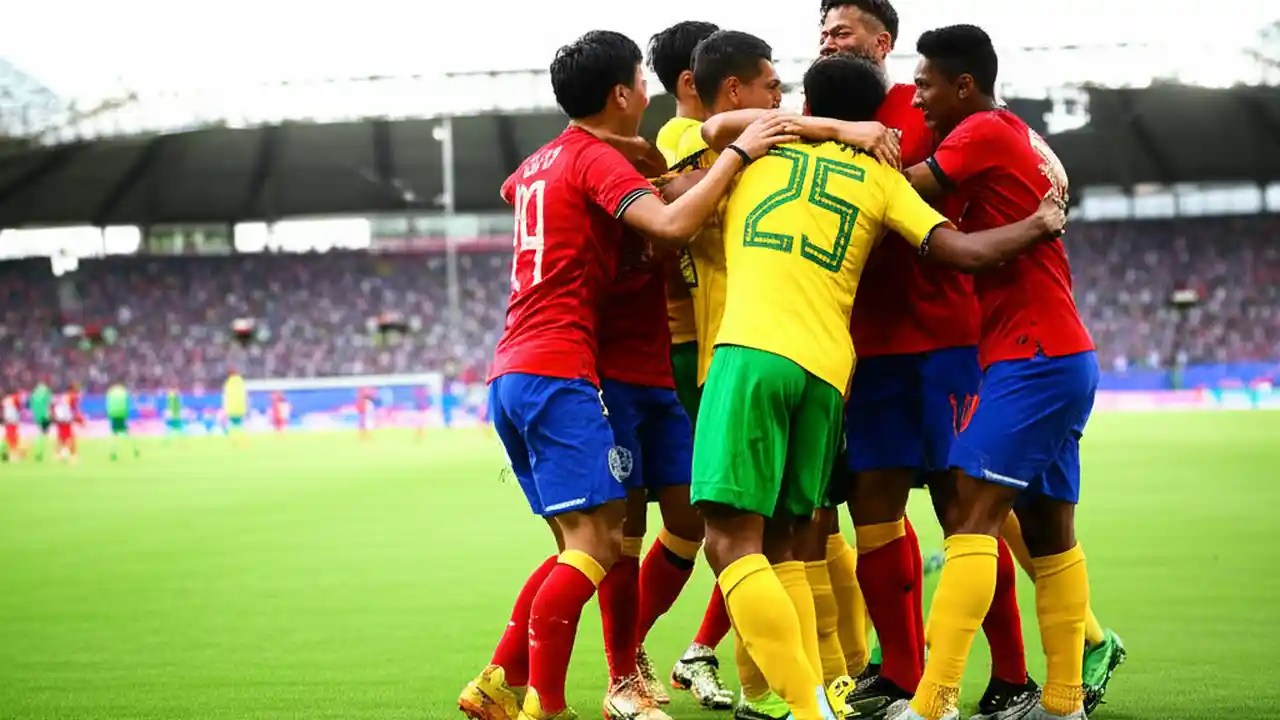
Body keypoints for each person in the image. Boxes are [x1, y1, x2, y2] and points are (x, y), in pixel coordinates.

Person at [687, 50, 1064, 720]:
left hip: (748, 351)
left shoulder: (762, 149)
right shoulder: (883, 178)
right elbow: (964, 252)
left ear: (805, 104)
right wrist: (1038, 224)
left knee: (732, 543)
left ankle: (801, 707)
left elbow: (716, 132)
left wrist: (816, 126)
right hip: (831, 372)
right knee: (789, 538)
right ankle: (818, 697)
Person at [457, 29, 793, 720]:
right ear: (622, 92)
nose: (650, 90)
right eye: (642, 80)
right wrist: (734, 156)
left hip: (539, 367)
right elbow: (669, 226)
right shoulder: (594, 162)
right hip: (570, 369)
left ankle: (508, 682)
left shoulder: (547, 162)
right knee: (597, 542)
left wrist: (634, 159)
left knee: (621, 534)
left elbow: (516, 182)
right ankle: (557, 697)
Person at [812, 3, 1040, 718]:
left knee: (963, 509)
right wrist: (837, 126)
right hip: (866, 346)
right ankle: (903, 671)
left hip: (943, 336)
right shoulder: (823, 108)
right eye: (822, 31)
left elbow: (974, 173)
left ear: (883, 42)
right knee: (874, 508)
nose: (827, 40)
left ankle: (1012, 679)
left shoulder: (927, 105)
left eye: (841, 30)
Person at [865, 25, 1096, 720]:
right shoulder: (1023, 137)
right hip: (1056, 351)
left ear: (963, 84)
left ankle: (932, 703)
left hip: (1031, 353)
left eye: (928, 84)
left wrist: (843, 148)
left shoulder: (982, 132)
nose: (919, 100)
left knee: (970, 514)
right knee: (1052, 535)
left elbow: (898, 196)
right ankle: (1062, 702)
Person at [643, 21, 737, 711]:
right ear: (692, 83)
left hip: (717, 344)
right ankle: (664, 650)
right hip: (705, 347)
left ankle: (676, 650)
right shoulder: (684, 139)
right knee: (755, 518)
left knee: (698, 523)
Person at [105, 382, 139, 461]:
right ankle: (135, 450)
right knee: (127, 433)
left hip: (114, 416)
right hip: (122, 415)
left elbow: (108, 404)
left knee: (114, 435)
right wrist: (126, 414)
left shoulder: (111, 392)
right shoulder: (124, 392)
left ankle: (113, 452)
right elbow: (128, 403)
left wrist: (109, 414)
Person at [29, 380, 52, 461]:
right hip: (44, 417)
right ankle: (39, 452)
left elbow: (30, 405)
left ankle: (38, 451)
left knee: (40, 433)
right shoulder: (46, 393)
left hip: (37, 417)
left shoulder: (34, 394)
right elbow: (49, 405)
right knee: (43, 434)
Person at [223, 370, 247, 443]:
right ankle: (241, 439)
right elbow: (244, 395)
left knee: (229, 424)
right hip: (240, 408)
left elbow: (226, 396)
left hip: (232, 409)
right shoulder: (240, 381)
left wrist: (226, 408)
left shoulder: (228, 383)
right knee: (238, 425)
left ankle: (232, 438)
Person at [2, 390, 22, 462]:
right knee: (13, 438)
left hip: (8, 420)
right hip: (13, 420)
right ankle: (12, 455)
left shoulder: (5, 401)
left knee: (8, 437)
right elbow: (19, 406)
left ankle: (6, 453)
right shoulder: (14, 399)